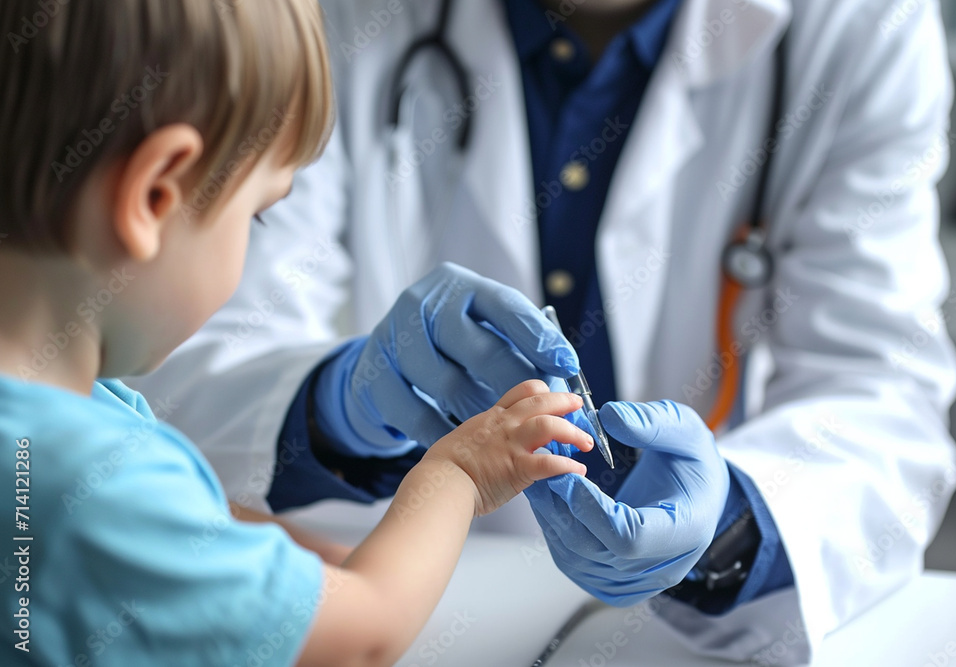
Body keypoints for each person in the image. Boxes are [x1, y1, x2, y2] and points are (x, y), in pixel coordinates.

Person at [130, 0, 956, 663]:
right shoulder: (333, 14)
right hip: (421, 586)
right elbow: (174, 342)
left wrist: (728, 530)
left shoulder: (858, 23)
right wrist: (336, 408)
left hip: (680, 638)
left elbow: (879, 395)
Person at [0, 2, 598, 665]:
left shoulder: (83, 412)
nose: (253, 234)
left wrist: (308, 573)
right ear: (154, 196)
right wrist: (459, 472)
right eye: (255, 216)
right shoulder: (75, 474)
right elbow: (365, 635)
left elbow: (198, 527)